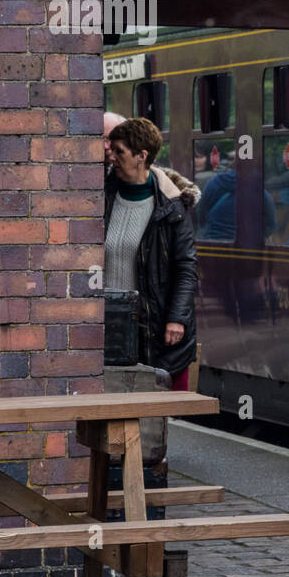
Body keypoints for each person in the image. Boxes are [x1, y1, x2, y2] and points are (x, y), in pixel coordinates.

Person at [103, 117, 199, 391]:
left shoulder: (171, 207)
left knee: (154, 416)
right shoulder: (103, 196)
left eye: (119, 152)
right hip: (111, 324)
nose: (112, 158)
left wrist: (176, 318)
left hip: (155, 326)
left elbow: (186, 267)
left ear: (141, 156)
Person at [104, 111, 199, 209]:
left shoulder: (165, 187)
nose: (105, 146)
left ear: (141, 156)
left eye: (109, 140)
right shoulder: (106, 185)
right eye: (100, 139)